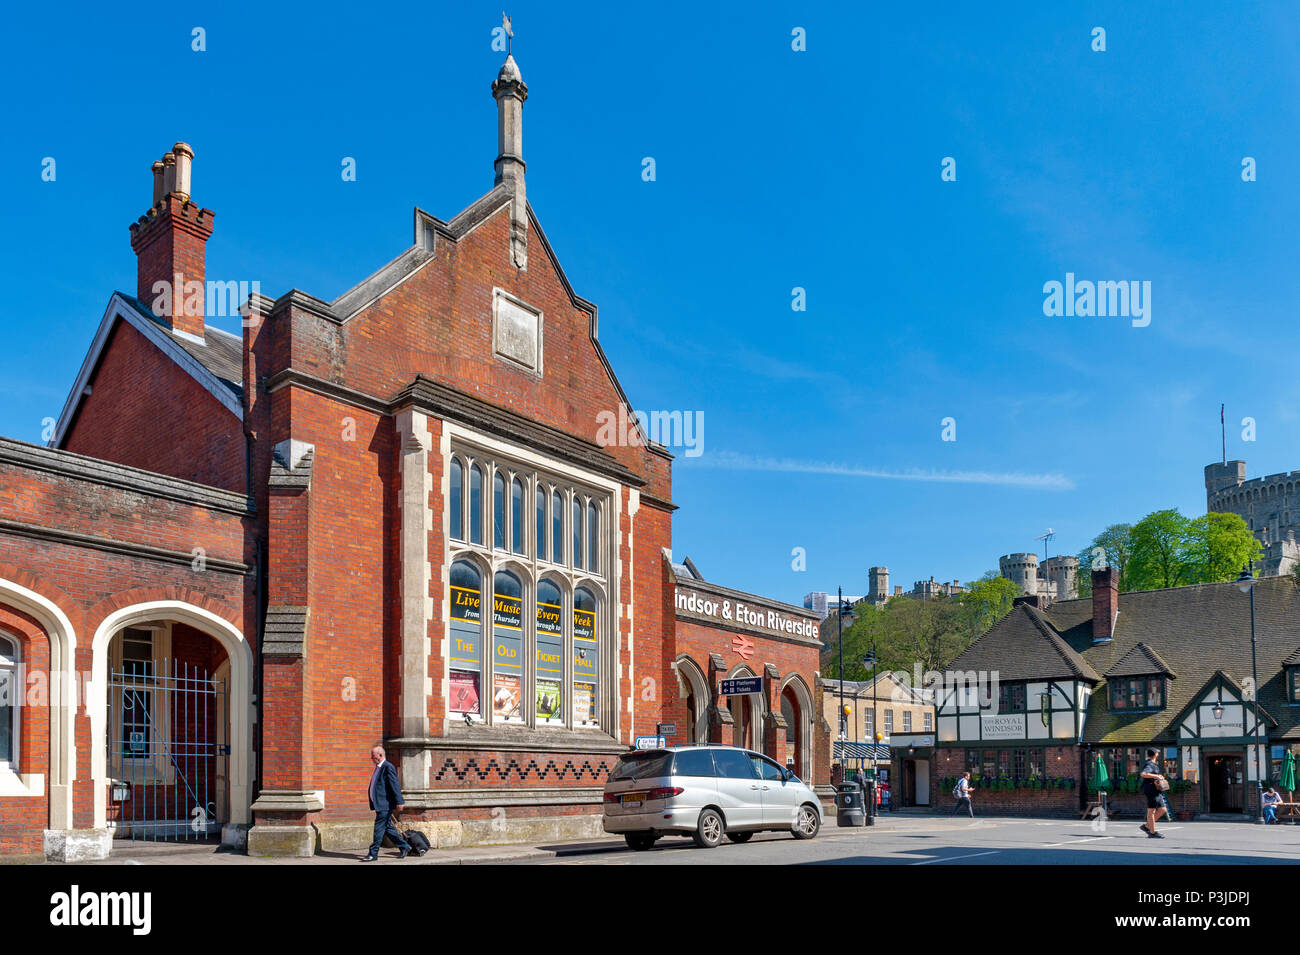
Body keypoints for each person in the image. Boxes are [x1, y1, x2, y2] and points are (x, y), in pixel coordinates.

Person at [363, 744, 411, 862]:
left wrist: (400, 801)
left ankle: (373, 853)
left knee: (378, 829)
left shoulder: (387, 767)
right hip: (380, 804)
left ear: (380, 755)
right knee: (388, 828)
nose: (371, 758)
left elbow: (395, 785)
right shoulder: (379, 767)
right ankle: (405, 846)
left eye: (373, 756)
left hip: (385, 805)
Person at [1139, 749, 1168, 839]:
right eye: (1157, 752)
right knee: (1151, 811)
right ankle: (1152, 832)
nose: (1158, 753)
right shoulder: (1149, 764)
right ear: (1155, 754)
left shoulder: (1154, 764)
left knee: (1163, 809)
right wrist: (1156, 776)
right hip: (1151, 790)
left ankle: (1147, 826)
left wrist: (1159, 777)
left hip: (1156, 790)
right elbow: (1143, 774)